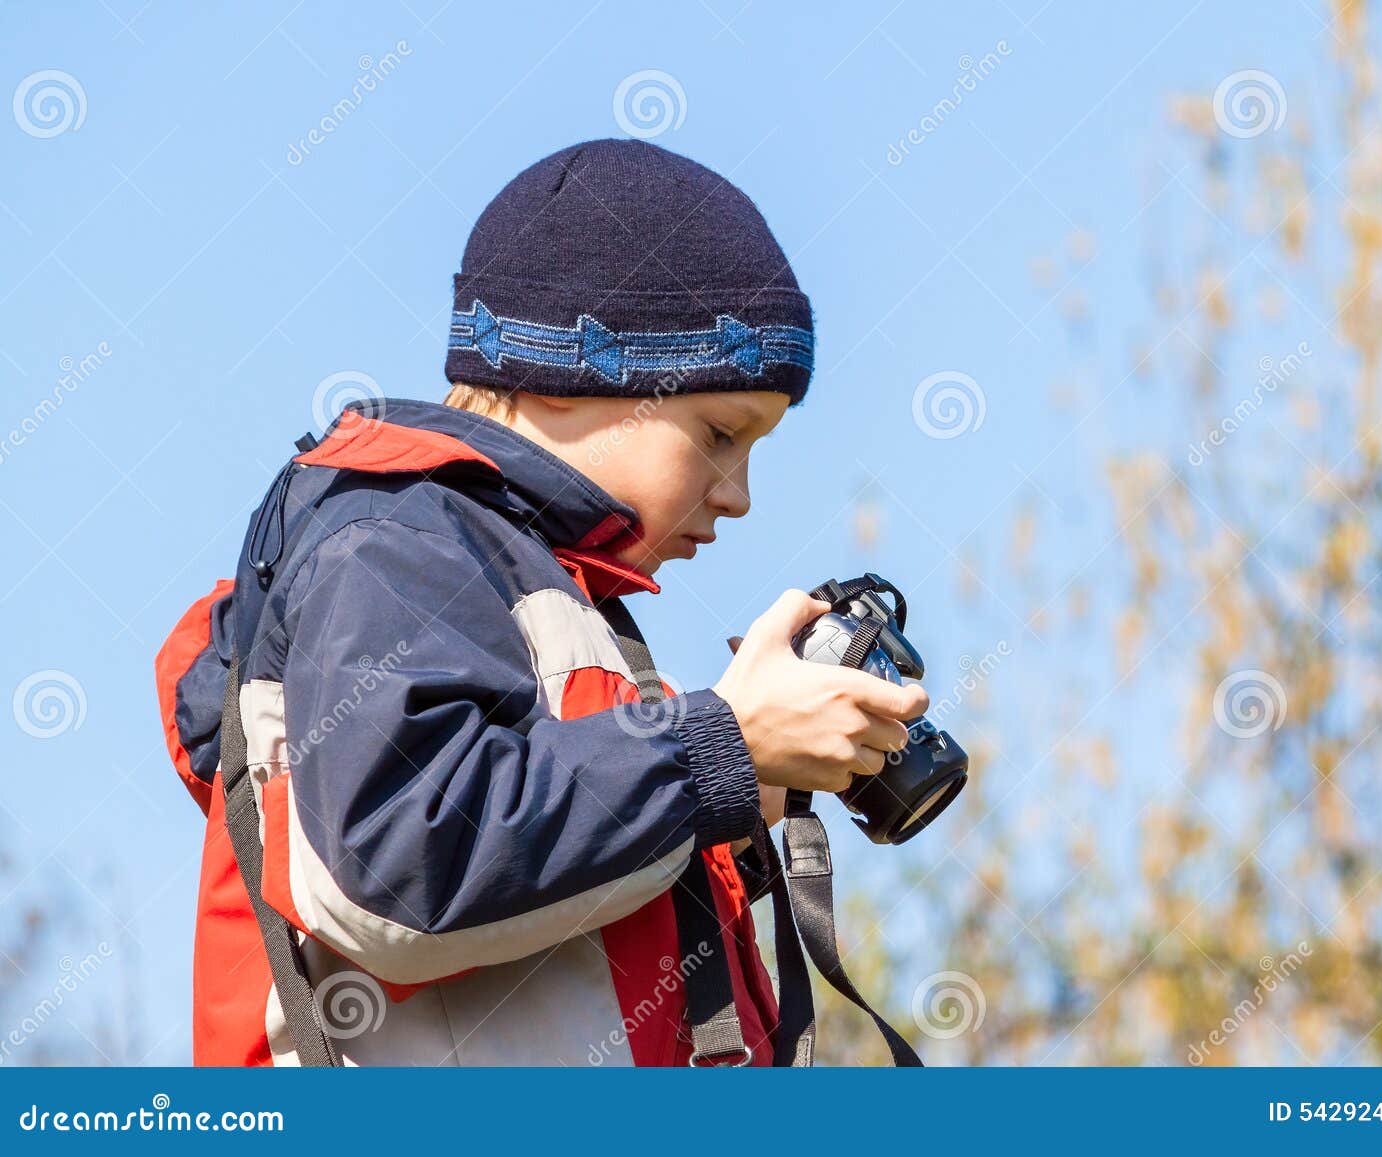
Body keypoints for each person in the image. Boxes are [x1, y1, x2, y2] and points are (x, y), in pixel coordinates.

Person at [153, 137, 929, 1066]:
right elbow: (401, 854)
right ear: (573, 377)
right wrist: (718, 744)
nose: (738, 492)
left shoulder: (546, 595)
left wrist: (743, 796)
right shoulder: (397, 542)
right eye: (721, 433)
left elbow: (552, 920)